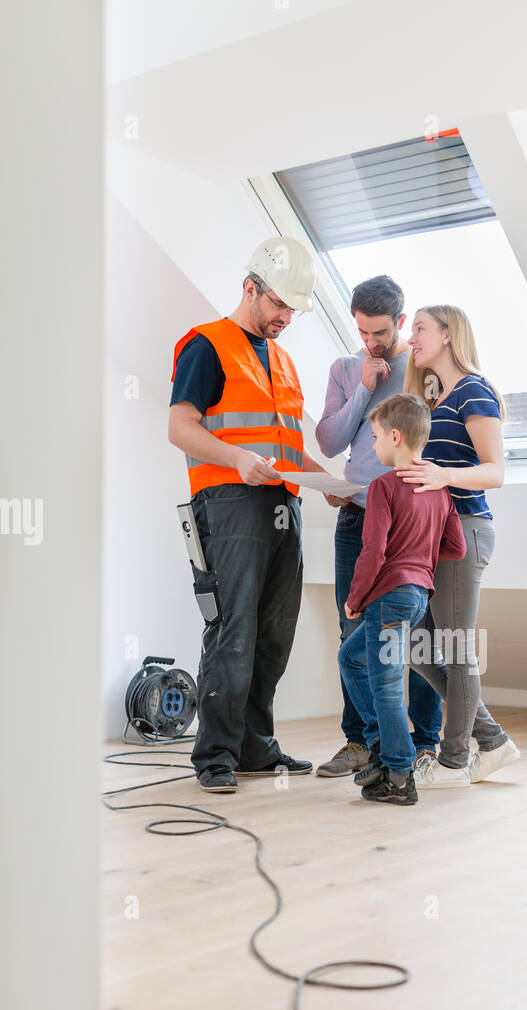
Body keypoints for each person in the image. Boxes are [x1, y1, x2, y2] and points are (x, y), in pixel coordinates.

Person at [168, 236, 333, 793]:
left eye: (293, 309)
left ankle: (255, 749)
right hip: (229, 504)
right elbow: (180, 427)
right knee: (233, 630)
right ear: (250, 288)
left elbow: (285, 445)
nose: (286, 317)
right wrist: (239, 460)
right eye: (279, 305)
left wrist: (326, 480)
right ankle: (214, 754)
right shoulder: (206, 346)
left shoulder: (282, 359)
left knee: (273, 633)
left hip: (283, 503)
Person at [314, 275, 442, 778]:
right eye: (363, 332)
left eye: (381, 332)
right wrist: (363, 390)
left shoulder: (422, 367)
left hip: (411, 519)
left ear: (402, 322)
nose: (371, 342)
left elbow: (437, 439)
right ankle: (367, 742)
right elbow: (328, 441)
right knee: (354, 632)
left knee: (419, 636)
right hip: (357, 517)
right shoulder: (346, 369)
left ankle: (423, 743)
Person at [399, 304, 520, 788]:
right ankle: (491, 740)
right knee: (417, 643)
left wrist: (443, 475)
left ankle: (453, 762)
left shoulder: (474, 389)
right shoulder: (436, 398)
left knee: (454, 648)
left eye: (420, 329)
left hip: (465, 529)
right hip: (436, 536)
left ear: (449, 335)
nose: (412, 339)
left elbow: (495, 471)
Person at [338, 395, 466, 806]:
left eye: (375, 438)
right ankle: (383, 746)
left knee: (388, 686)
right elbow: (456, 547)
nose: (373, 447)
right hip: (416, 598)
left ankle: (397, 772)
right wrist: (420, 560)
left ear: (395, 437)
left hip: (388, 598)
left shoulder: (382, 487)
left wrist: (355, 598)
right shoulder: (439, 492)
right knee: (351, 658)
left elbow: (373, 550)